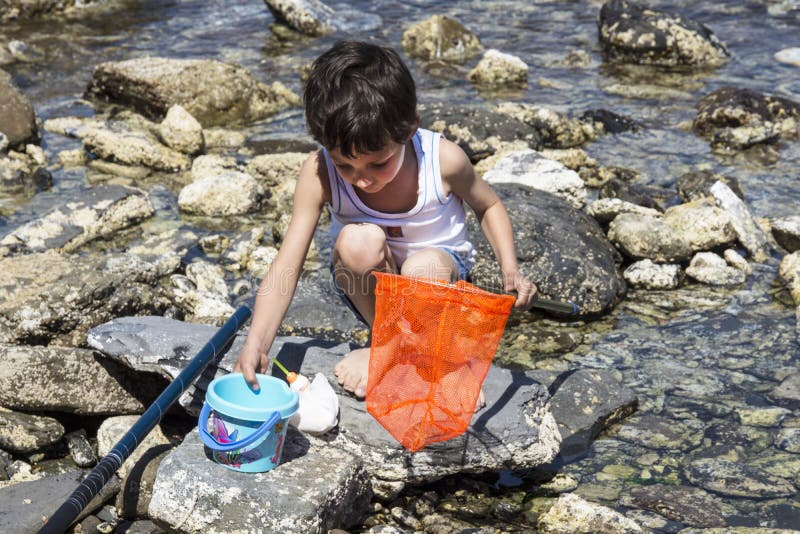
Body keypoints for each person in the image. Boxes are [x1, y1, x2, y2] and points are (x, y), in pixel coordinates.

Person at [234, 40, 537, 399]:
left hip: (439, 283)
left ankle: (400, 349)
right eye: (345, 165)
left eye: (378, 163)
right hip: (372, 287)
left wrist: (510, 268)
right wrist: (257, 342)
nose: (362, 179)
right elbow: (287, 263)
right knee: (356, 242)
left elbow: (489, 207)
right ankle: (394, 342)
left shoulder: (442, 161)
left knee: (423, 267)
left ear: (409, 129)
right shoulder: (317, 173)